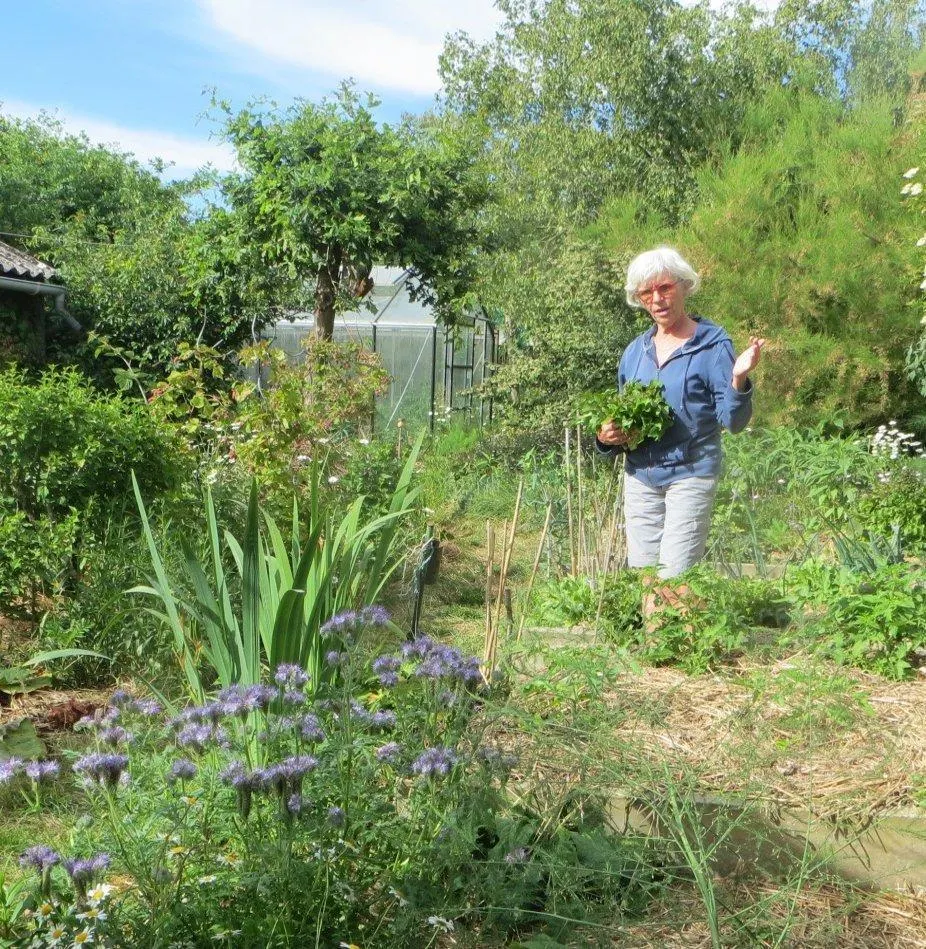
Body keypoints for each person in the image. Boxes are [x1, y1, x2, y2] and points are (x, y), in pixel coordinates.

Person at [596, 246, 765, 618]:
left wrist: (738, 378)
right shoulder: (635, 352)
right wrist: (607, 437)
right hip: (641, 476)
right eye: (647, 292)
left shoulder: (712, 345)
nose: (657, 299)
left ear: (684, 287)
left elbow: (733, 421)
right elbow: (623, 418)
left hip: (690, 472)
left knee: (675, 577)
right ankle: (657, 647)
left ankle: (678, 646)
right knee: (646, 576)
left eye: (665, 288)